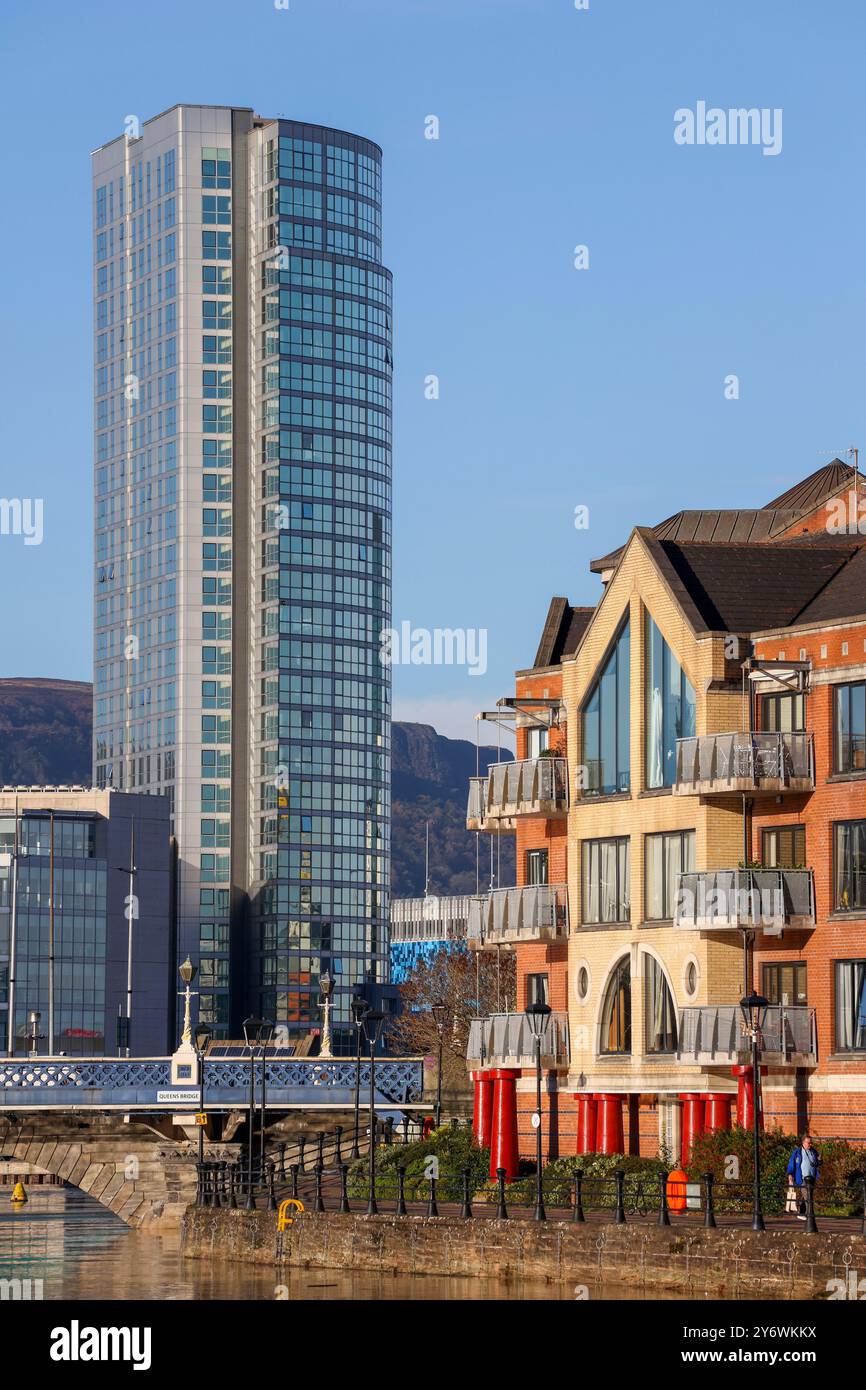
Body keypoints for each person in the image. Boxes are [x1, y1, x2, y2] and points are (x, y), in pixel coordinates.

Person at [786, 1134, 820, 1219]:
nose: (810, 1144)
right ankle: (810, 1215)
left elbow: (817, 1162)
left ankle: (801, 1212)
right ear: (803, 1143)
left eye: (811, 1143)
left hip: (812, 1177)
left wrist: (820, 1161)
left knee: (807, 1195)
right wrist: (790, 1175)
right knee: (808, 1196)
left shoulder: (813, 1151)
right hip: (803, 1178)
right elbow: (791, 1164)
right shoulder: (797, 1152)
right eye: (809, 1143)